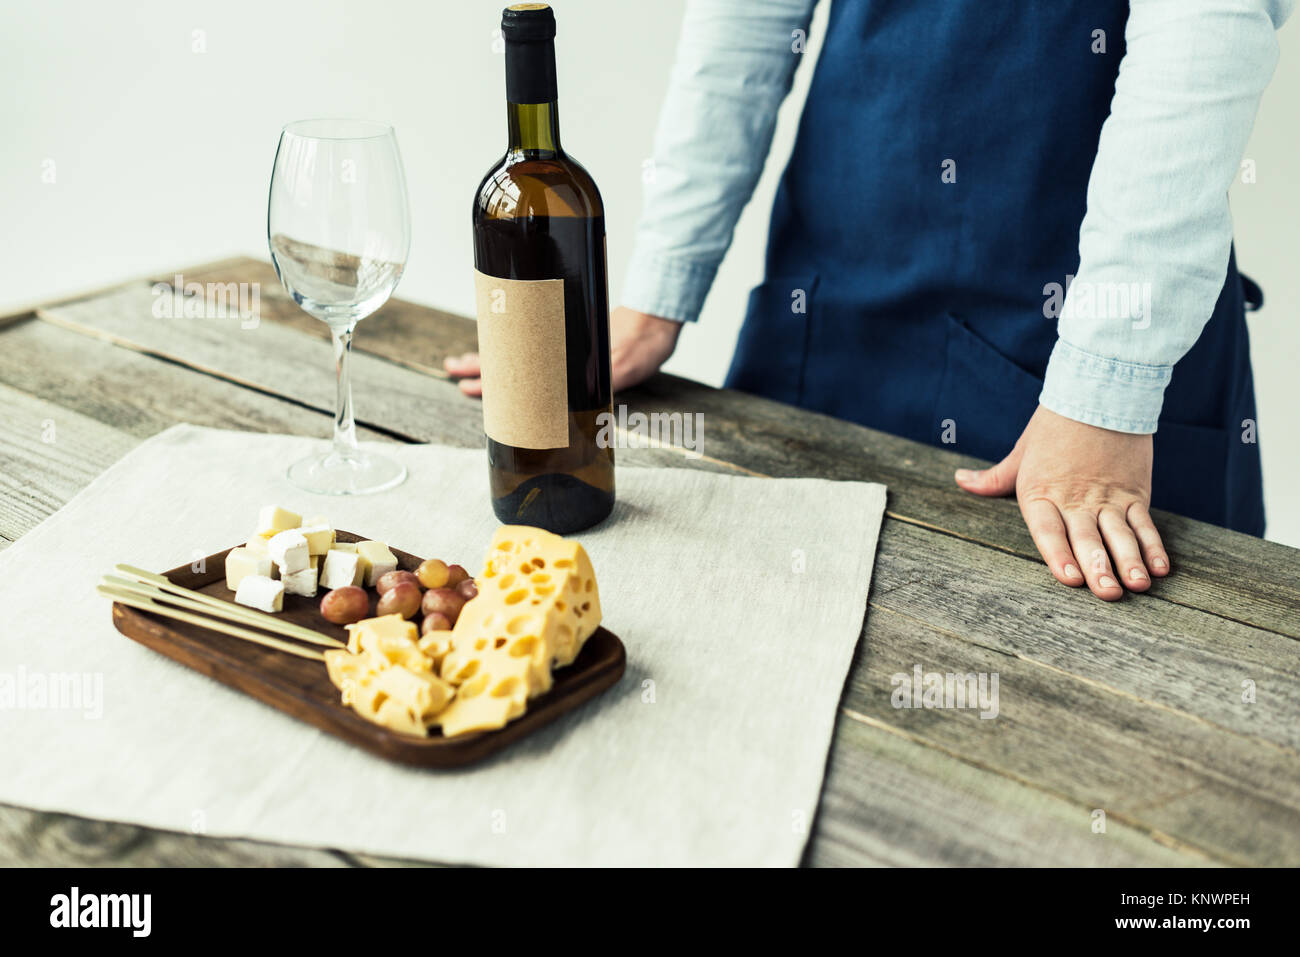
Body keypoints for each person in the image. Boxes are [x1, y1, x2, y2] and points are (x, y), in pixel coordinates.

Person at [449, 0, 1293, 602]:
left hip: (1094, 356)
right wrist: (657, 288)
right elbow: (747, 18)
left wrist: (1107, 383)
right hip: (833, 303)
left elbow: (1204, 28)